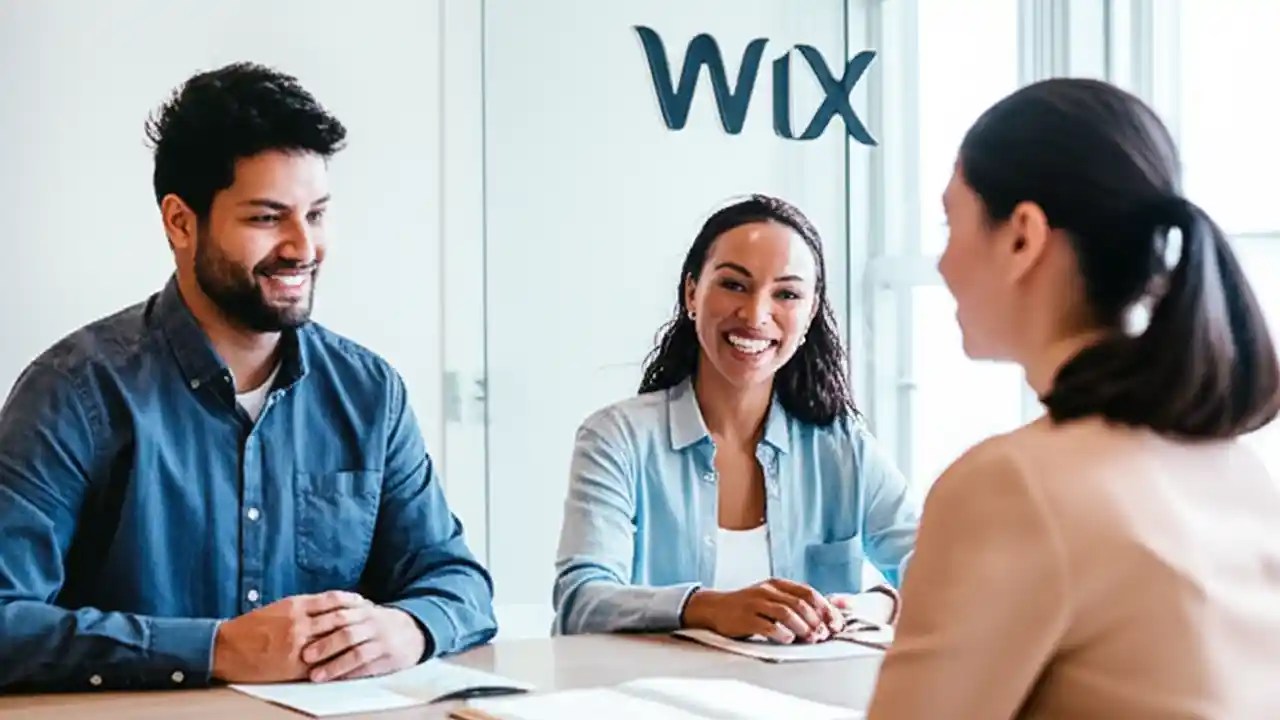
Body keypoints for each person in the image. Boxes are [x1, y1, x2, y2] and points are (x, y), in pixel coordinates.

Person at [0, 62, 497, 692]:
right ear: (181, 222)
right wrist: (212, 649)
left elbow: (457, 581)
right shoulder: (75, 393)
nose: (302, 247)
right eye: (267, 218)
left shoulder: (370, 394)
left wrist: (409, 627)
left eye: (316, 214)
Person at [867, 78, 1280, 719]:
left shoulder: (1012, 487)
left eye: (951, 223)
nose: (943, 263)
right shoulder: (1239, 474)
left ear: (1022, 237)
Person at [553, 194, 920, 642]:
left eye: (786, 293)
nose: (755, 315)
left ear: (808, 315)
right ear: (692, 292)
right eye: (734, 285)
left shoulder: (843, 446)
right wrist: (706, 608)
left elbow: (939, 570)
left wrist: (881, 601)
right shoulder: (618, 439)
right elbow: (581, 601)